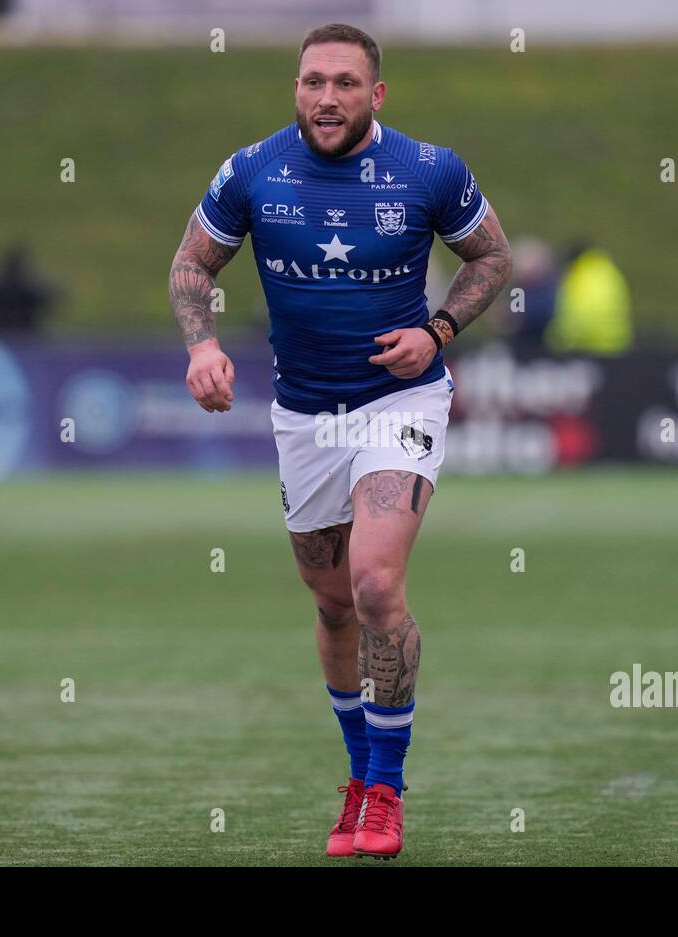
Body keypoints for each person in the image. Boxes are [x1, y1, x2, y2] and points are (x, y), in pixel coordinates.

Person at [167, 22, 511, 860]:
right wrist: (203, 345)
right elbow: (191, 264)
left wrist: (437, 330)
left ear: (376, 94)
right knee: (330, 603)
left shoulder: (430, 169)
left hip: (401, 400)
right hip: (305, 415)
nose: (327, 97)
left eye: (346, 83)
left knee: (375, 584)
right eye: (313, 81)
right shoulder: (251, 170)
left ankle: (387, 793)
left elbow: (491, 259)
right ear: (296, 89)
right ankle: (358, 775)